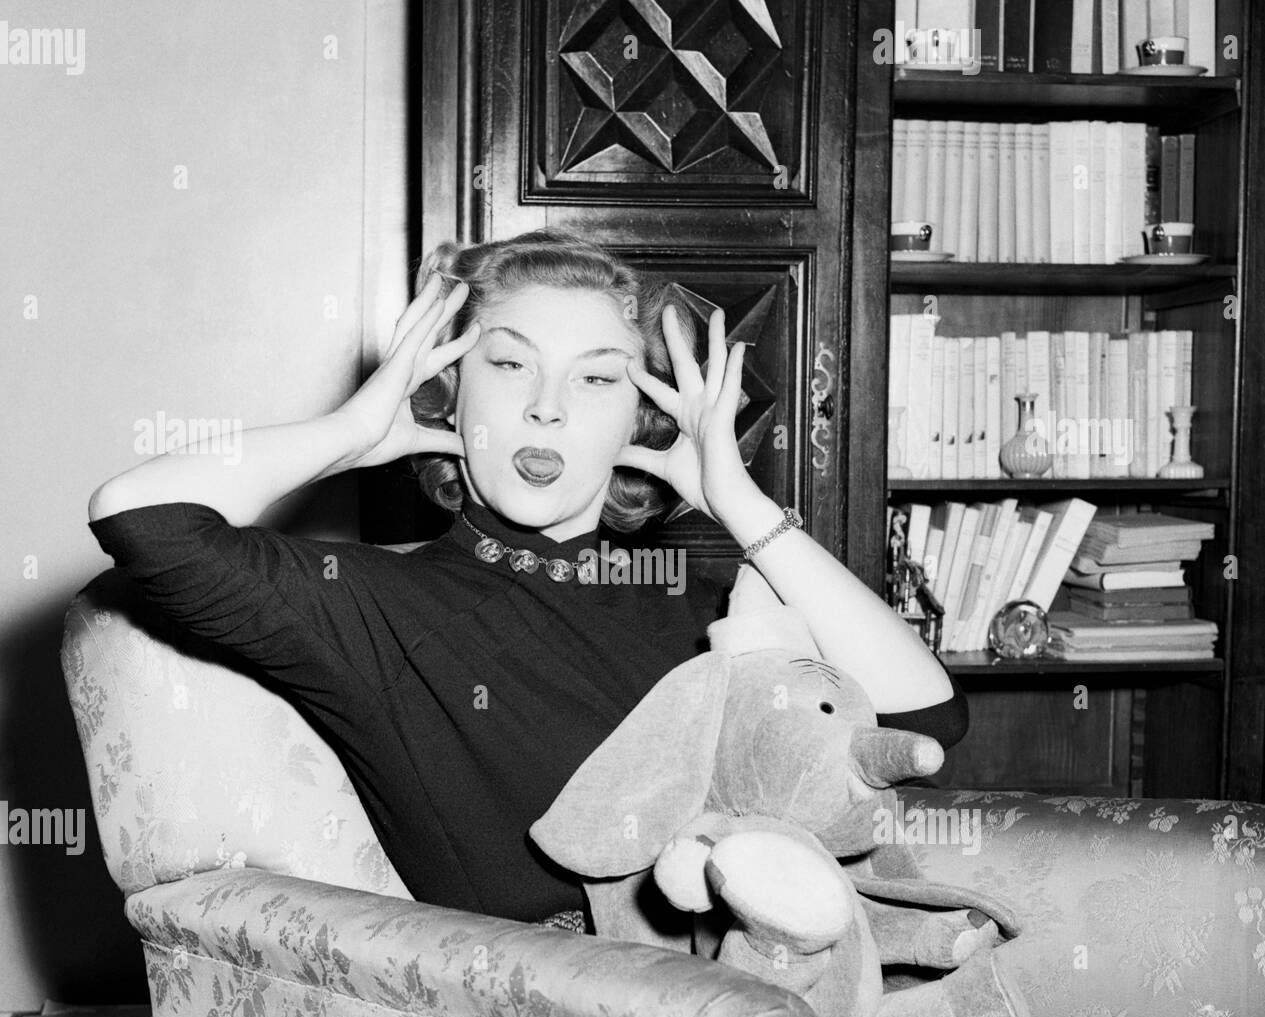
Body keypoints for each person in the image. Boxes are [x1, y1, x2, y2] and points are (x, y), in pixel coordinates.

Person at [87, 229, 966, 926]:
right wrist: (351, 433)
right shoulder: (368, 602)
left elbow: (921, 714)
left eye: (596, 380)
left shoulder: (703, 604)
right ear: (449, 392)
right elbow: (143, 520)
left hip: (781, 976)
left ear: (642, 419)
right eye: (509, 366)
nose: (547, 405)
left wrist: (735, 503)